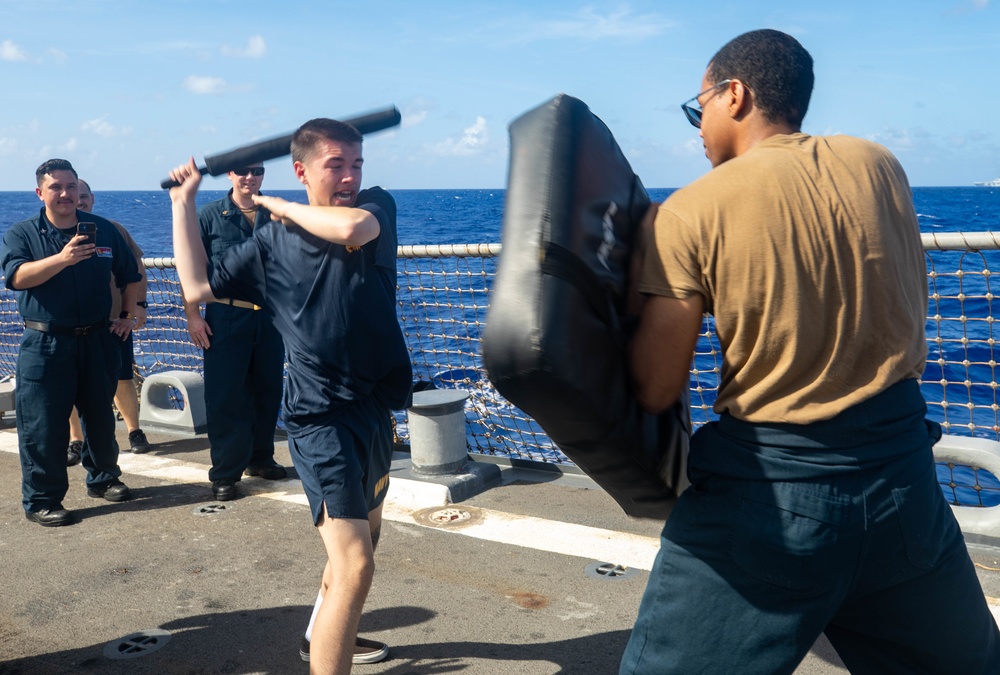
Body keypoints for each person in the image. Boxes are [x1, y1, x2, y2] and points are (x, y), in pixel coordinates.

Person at [621, 29, 1000, 674]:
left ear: (733, 95)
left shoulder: (686, 213)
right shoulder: (878, 163)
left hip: (771, 500)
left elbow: (657, 388)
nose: (697, 127)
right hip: (904, 482)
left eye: (698, 108)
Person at [169, 118, 412, 674]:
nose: (350, 176)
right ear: (303, 169)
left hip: (373, 407)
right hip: (318, 418)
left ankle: (319, 635)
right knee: (355, 565)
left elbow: (351, 229)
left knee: (361, 548)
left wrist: (278, 204)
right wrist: (183, 206)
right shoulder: (268, 245)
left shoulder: (375, 206)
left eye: (356, 164)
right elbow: (198, 287)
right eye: (336, 165)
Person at [1, 159, 142, 527]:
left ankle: (103, 479)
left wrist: (129, 316)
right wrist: (62, 259)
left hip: (97, 339)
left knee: (99, 417)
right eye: (56, 188)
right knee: (42, 427)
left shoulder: (105, 231)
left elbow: (131, 274)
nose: (65, 194)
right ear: (40, 193)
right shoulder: (22, 233)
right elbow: (16, 276)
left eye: (71, 187)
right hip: (46, 342)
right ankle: (42, 500)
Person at [183, 163, 287, 502]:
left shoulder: (276, 213)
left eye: (256, 171)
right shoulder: (211, 216)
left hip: (270, 317)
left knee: (267, 390)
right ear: (229, 175)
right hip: (226, 315)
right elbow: (193, 269)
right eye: (241, 171)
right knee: (226, 395)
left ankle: (260, 458)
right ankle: (225, 473)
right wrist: (193, 316)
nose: (249, 177)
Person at [66, 179, 151, 467]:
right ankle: (76, 440)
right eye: (75, 196)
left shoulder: (112, 229)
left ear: (92, 199)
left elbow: (136, 268)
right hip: (72, 325)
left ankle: (134, 431)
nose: (80, 202)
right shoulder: (56, 234)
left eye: (84, 196)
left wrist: (139, 305)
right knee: (71, 386)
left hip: (116, 321)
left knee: (123, 376)